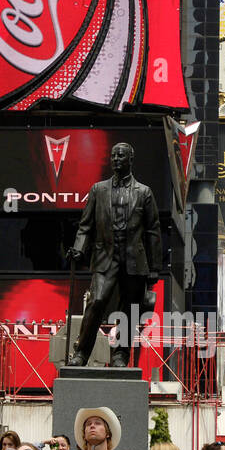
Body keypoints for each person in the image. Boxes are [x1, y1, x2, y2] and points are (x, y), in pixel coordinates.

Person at [64, 142, 164, 368]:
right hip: (105, 257)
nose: (116, 159)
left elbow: (152, 231)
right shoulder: (98, 190)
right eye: (113, 156)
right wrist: (79, 248)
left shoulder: (144, 192)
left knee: (129, 309)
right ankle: (81, 353)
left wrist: (154, 267)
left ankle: (121, 355)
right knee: (96, 301)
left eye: (121, 156)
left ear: (131, 159)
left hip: (134, 260)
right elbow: (85, 226)